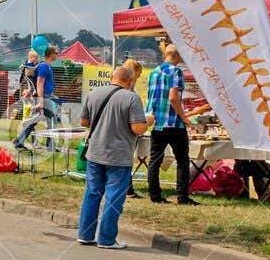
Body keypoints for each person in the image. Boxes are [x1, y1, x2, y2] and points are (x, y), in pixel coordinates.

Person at [76, 62, 149, 249]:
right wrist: (148, 121)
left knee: (92, 193)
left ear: (112, 78)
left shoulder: (93, 94)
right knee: (114, 197)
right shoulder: (132, 98)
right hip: (119, 155)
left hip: (95, 153)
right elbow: (137, 128)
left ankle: (85, 234)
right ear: (130, 81)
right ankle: (107, 239)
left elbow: (84, 121)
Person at [145, 44, 197, 206]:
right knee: (182, 161)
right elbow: (173, 98)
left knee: (154, 161)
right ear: (176, 56)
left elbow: (152, 97)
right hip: (174, 123)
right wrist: (185, 118)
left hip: (157, 123)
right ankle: (182, 197)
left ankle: (155, 195)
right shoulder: (176, 71)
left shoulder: (153, 73)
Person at [12, 48, 59, 150]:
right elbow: (39, 83)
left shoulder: (46, 66)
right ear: (51, 54)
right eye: (56, 53)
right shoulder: (44, 66)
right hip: (43, 98)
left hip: (44, 97)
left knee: (36, 120)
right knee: (52, 119)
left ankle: (18, 141)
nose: (58, 54)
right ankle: (50, 146)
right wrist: (41, 101)